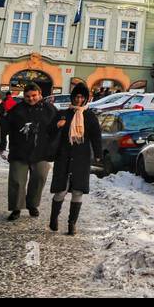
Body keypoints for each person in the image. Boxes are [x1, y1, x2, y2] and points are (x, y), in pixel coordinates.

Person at [49, 83, 102, 235]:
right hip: (64, 156)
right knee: (61, 190)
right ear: (73, 97)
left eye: (82, 97)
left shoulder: (90, 116)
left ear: (85, 99)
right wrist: (58, 126)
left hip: (81, 157)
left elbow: (96, 137)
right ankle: (54, 218)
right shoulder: (63, 114)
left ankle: (72, 223)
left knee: (78, 191)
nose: (79, 100)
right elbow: (49, 131)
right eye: (76, 97)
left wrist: (98, 154)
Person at [0, 83, 57, 220]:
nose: (31, 99)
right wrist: (2, 146)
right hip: (19, 151)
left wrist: (55, 147)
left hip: (41, 151)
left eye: (34, 96)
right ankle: (16, 208)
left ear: (39, 94)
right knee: (17, 180)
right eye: (27, 96)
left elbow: (56, 129)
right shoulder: (16, 110)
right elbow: (4, 128)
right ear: (24, 96)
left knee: (40, 177)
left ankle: (32, 204)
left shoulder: (49, 109)